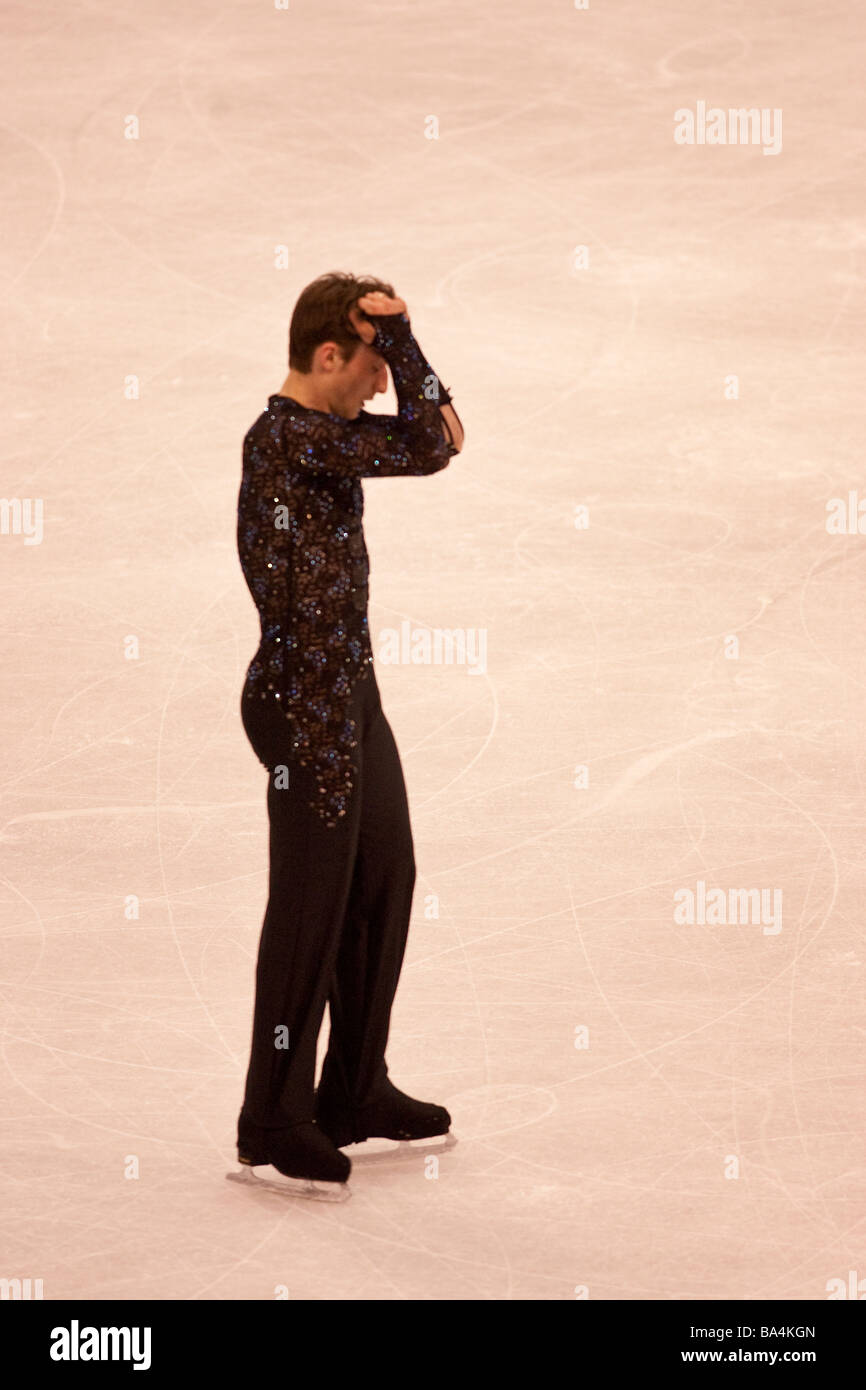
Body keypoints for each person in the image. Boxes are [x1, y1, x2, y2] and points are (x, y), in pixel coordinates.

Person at [234, 272, 465, 1194]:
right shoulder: (286, 439)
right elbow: (430, 438)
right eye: (369, 368)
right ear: (328, 355)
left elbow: (442, 437)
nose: (380, 386)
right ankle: (272, 1114)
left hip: (347, 692)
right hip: (302, 700)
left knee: (383, 875)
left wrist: (400, 338)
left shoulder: (325, 440)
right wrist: (402, 344)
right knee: (309, 910)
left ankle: (354, 1088)